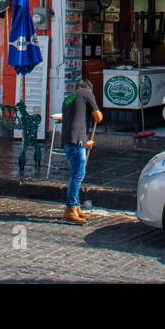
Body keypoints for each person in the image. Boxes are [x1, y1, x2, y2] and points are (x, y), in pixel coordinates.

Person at [60, 79, 102, 224]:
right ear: (89, 89)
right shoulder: (87, 93)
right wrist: (83, 141)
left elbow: (74, 120)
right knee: (78, 175)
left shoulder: (69, 97)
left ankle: (76, 207)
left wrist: (85, 142)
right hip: (76, 141)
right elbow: (98, 117)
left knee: (75, 173)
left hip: (68, 140)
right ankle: (70, 208)